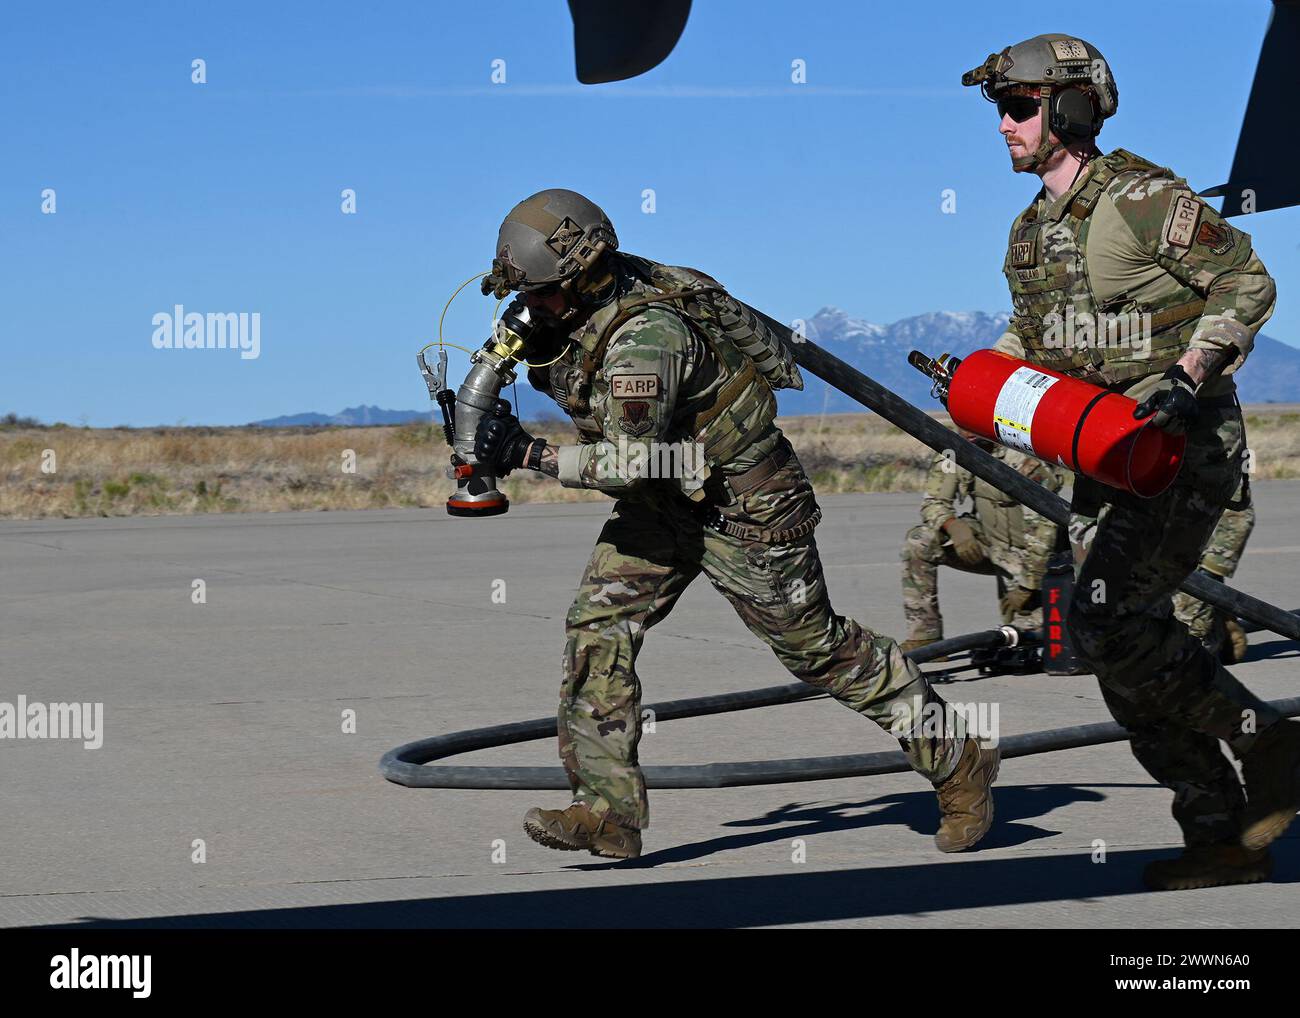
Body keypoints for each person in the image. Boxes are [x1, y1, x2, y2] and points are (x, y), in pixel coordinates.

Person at [472, 188, 998, 860]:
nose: (529, 309)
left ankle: (957, 762)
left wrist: (527, 454)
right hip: (667, 500)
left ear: (585, 276)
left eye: (543, 295)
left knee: (820, 652)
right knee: (598, 627)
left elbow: (633, 461)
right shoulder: (580, 308)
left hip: (744, 504)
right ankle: (606, 814)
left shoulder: (645, 340)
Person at [962, 34, 1295, 891]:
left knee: (1109, 625)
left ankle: (1274, 744)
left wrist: (1189, 374)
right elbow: (1036, 345)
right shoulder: (1028, 234)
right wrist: (981, 388)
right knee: (1117, 652)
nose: (1003, 124)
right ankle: (1223, 833)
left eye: (1019, 106)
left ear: (1071, 108)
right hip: (1103, 457)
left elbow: (1247, 285)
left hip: (1182, 447)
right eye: (997, 107)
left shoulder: (1147, 200)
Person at [901, 434, 1066, 655]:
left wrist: (1029, 584)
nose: (966, 430)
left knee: (1027, 634)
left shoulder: (1023, 458)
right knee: (920, 541)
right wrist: (954, 527)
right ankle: (924, 637)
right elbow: (933, 503)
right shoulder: (954, 452)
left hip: (1033, 556)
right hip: (989, 544)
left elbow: (1046, 527)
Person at [1172, 479, 1255, 663]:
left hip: (1187, 563)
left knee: (1184, 655)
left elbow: (1239, 516)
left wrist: (1207, 581)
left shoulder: (1214, 454)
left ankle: (1218, 625)